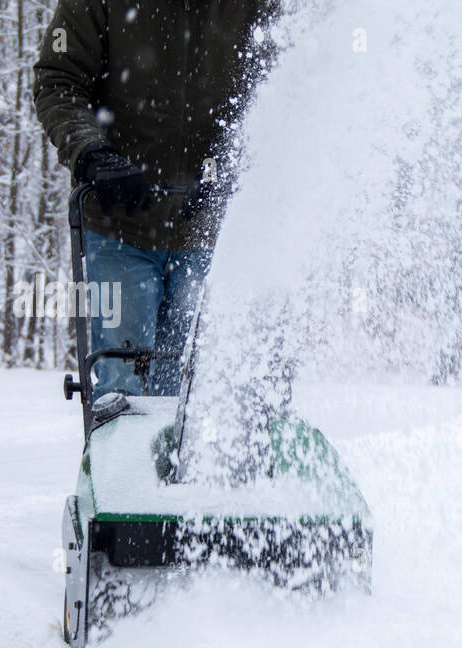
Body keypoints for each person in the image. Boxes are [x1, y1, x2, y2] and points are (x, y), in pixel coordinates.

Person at [33, 0, 279, 398]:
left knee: (198, 394)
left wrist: (232, 166)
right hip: (117, 225)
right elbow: (59, 81)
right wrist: (93, 152)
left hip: (214, 229)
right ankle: (122, 456)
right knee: (121, 390)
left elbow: (282, 88)